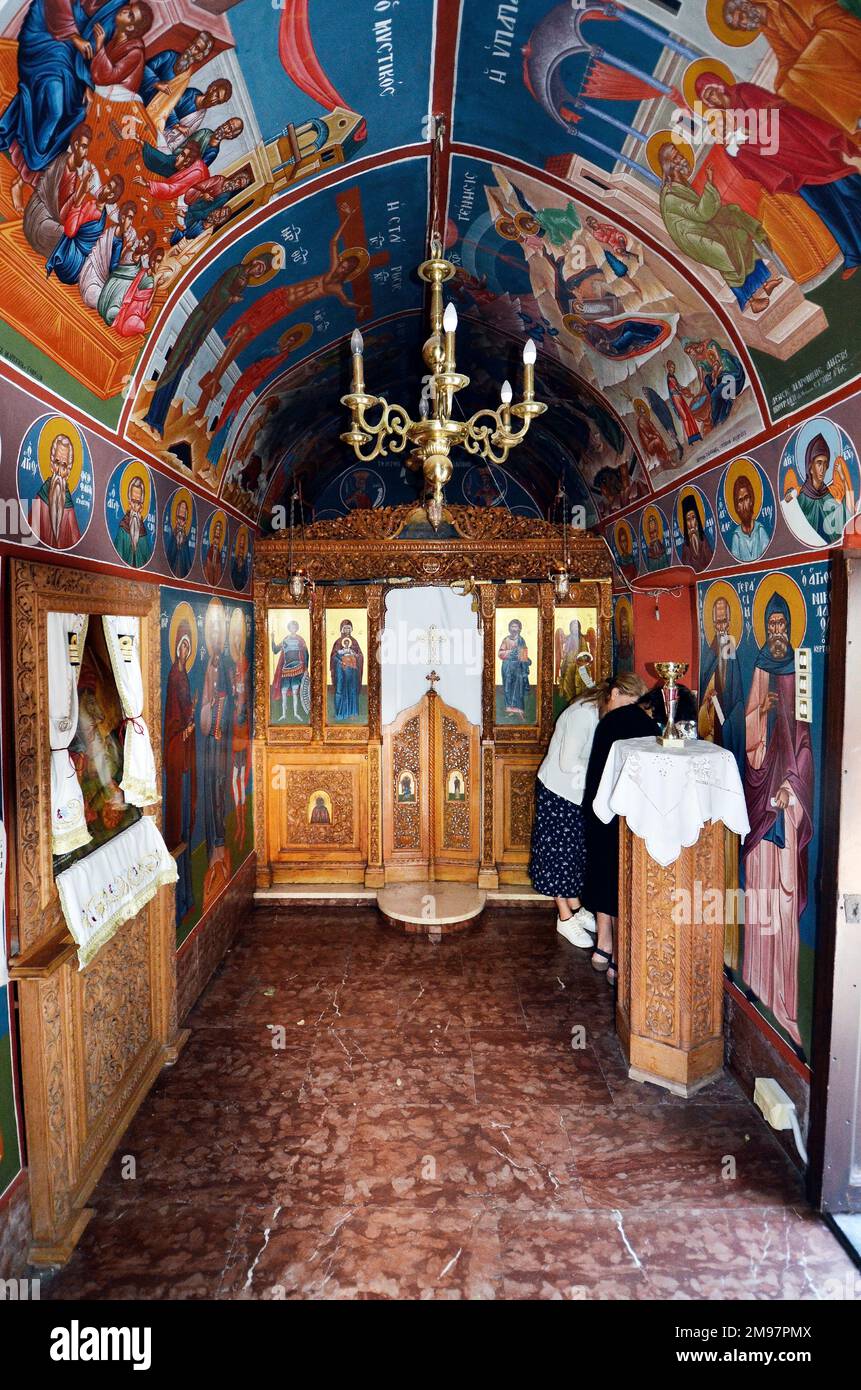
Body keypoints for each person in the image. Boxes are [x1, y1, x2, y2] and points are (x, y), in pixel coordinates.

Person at [582, 679, 696, 982]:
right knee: (619, 884)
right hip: (622, 816)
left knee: (602, 878)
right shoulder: (646, 729)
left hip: (597, 810)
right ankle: (618, 959)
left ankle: (602, 948)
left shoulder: (616, 717)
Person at [530, 674, 646, 948]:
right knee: (559, 856)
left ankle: (577, 908)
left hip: (578, 794)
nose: (627, 713)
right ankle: (565, 918)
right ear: (615, 694)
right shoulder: (582, 715)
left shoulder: (602, 712)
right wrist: (603, 768)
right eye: (627, 704)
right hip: (559, 792)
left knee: (575, 855)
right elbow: (568, 762)